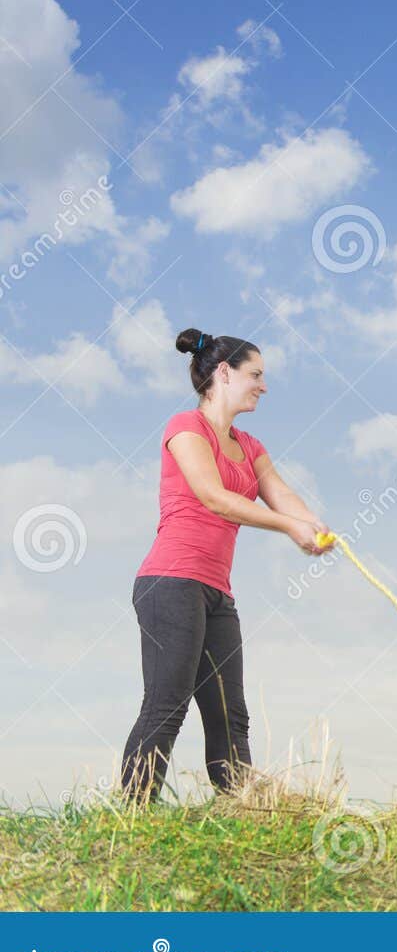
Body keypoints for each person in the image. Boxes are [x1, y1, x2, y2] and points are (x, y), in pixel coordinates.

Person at [120, 328, 333, 803]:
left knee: (228, 711)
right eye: (255, 375)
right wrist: (287, 527)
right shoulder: (185, 427)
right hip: (170, 582)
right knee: (167, 701)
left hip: (216, 592)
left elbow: (281, 494)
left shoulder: (251, 447)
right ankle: (130, 818)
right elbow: (215, 498)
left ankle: (238, 806)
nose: (263, 385)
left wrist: (310, 524)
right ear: (223, 372)